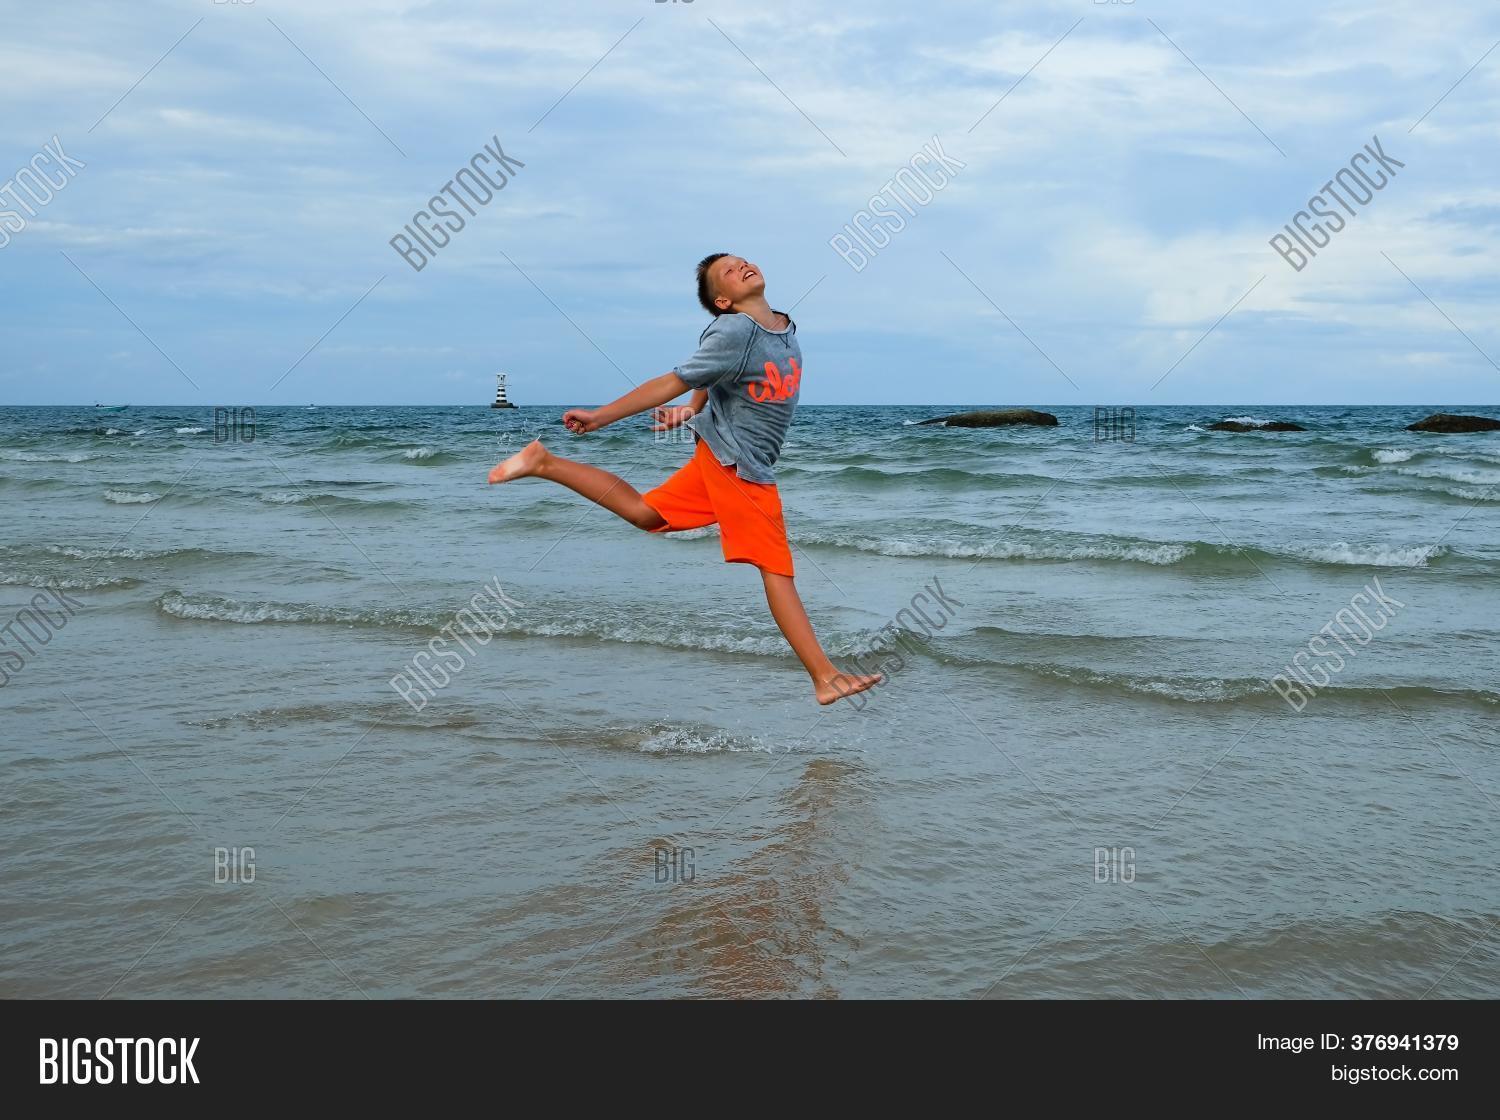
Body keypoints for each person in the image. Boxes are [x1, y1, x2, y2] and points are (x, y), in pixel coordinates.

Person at [488, 253, 881, 704]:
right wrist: (602, 417)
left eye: (743, 261)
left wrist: (694, 409)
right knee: (776, 568)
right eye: (730, 272)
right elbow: (672, 380)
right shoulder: (734, 329)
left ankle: (544, 463)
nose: (743, 267)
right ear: (723, 300)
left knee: (648, 515)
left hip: (724, 452)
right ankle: (824, 676)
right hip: (738, 467)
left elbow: (710, 371)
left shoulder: (783, 324)